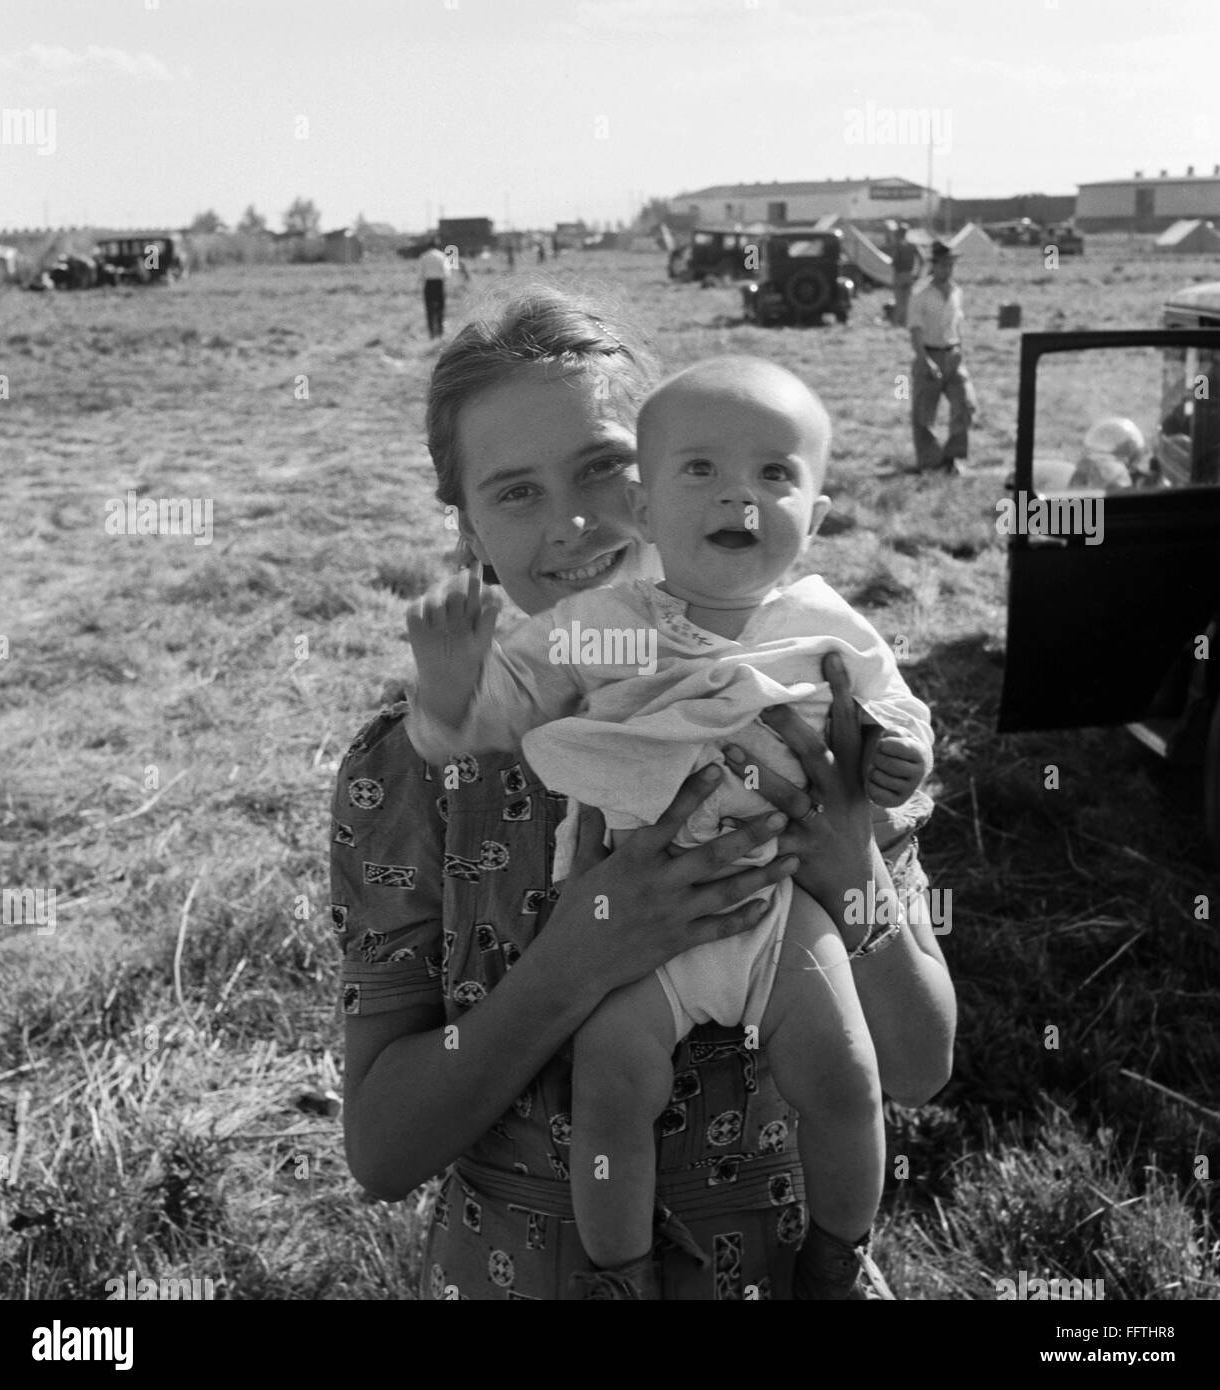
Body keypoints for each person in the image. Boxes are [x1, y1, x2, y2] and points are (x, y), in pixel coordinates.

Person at [333, 287, 956, 1300]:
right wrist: (576, 962)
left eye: (604, 469)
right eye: (515, 492)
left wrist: (848, 860)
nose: (576, 524)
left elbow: (919, 1064)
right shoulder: (410, 770)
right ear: (468, 528)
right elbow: (382, 1149)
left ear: (665, 473)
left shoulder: (805, 702)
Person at [908, 240, 977, 475]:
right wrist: (924, 360)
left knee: (965, 404)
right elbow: (915, 331)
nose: (948, 269)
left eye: (950, 264)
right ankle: (930, 462)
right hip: (929, 353)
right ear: (934, 266)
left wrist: (961, 351)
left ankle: (953, 457)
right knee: (923, 413)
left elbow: (957, 325)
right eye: (943, 265)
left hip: (953, 355)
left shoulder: (957, 292)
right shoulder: (920, 294)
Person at [417, 236, 469, 340]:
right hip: (439, 284)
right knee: (440, 308)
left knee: (429, 309)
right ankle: (440, 331)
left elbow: (420, 273)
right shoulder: (441, 256)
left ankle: (432, 333)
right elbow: (447, 273)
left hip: (428, 284)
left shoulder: (424, 256)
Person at [889, 223, 922, 328]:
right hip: (909, 275)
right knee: (907, 301)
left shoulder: (898, 246)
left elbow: (894, 262)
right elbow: (922, 259)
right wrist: (918, 274)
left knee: (899, 301)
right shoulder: (912, 246)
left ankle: (896, 323)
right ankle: (905, 323)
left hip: (899, 276)